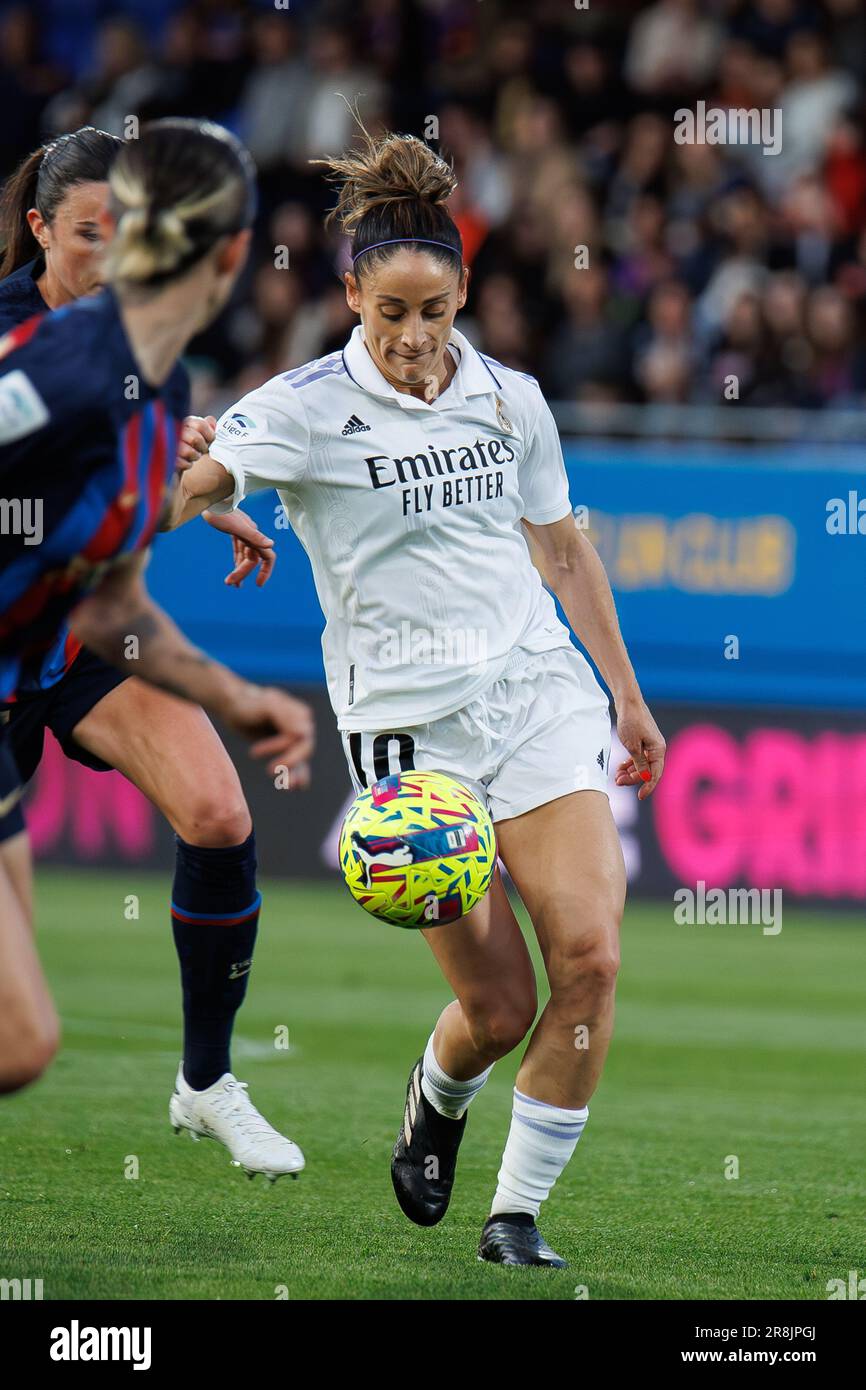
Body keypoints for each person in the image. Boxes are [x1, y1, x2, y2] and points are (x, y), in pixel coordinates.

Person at [165, 126, 666, 1265]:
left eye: (430, 311)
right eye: (386, 312)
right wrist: (150, 483)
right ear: (348, 294)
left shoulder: (510, 399)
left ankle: (514, 1216)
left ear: (461, 295)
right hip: (409, 742)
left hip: (536, 695)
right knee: (494, 1006)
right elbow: (196, 482)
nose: (409, 336)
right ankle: (436, 1099)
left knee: (587, 958)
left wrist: (624, 699)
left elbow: (564, 553)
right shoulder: (297, 408)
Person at [0, 118, 313, 1185]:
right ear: (41, 230)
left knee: (221, 812)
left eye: (125, 232)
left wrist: (234, 690)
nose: (107, 257)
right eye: (90, 234)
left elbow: (108, 583)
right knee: (19, 1040)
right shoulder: (42, 365)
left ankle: (206, 1083)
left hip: (61, 634)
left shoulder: (155, 376)